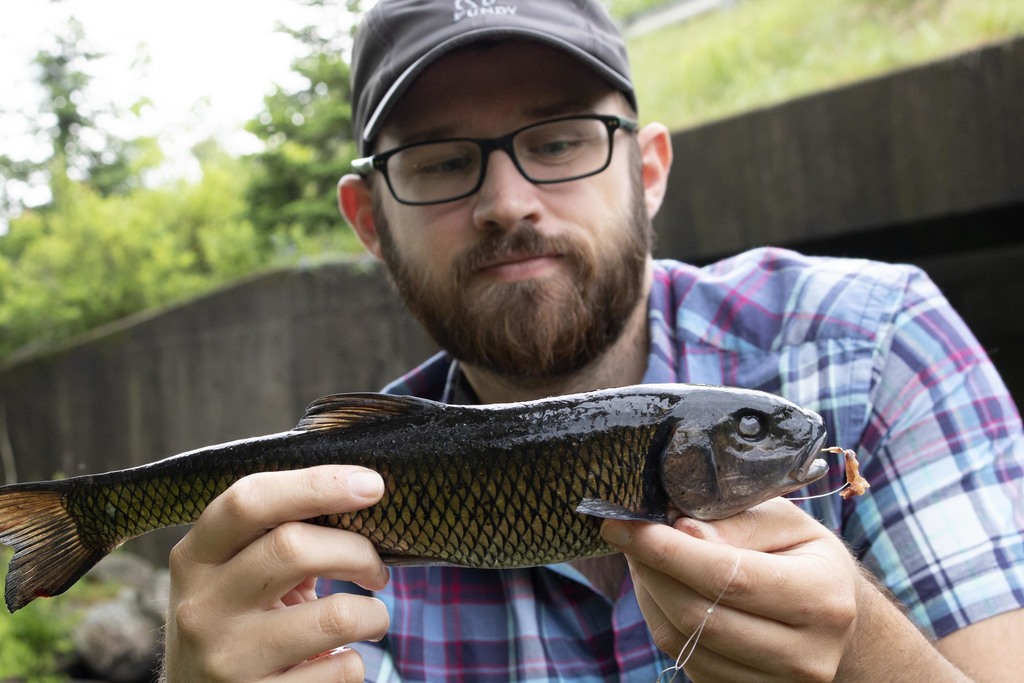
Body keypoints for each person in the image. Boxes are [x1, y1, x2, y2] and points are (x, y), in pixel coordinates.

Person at [161, 0, 1024, 680]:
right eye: (441, 161)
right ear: (371, 222)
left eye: (560, 139)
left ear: (646, 170)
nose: (506, 201)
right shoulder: (320, 516)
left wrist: (868, 659)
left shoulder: (870, 339)